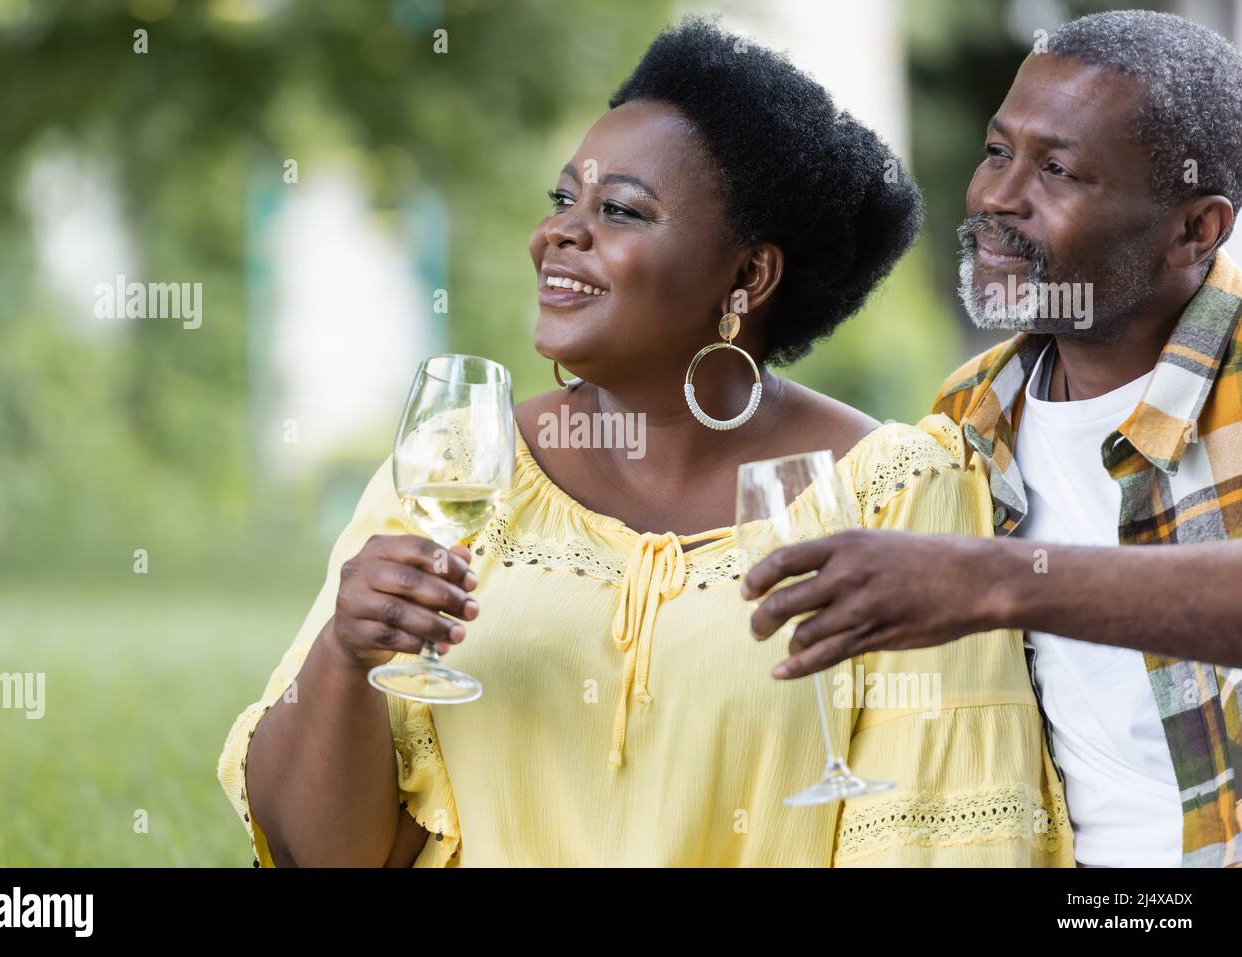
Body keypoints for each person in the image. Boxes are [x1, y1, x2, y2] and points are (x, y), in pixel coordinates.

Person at [217, 16, 1072, 867]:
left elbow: (941, 842)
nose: (558, 233)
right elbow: (320, 858)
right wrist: (347, 651)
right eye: (563, 200)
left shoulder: (894, 495)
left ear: (747, 276)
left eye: (620, 209)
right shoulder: (462, 465)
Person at [744, 10, 1242, 868]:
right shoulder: (970, 412)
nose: (997, 198)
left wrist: (998, 580)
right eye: (997, 150)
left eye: (1057, 168)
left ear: (1195, 230)